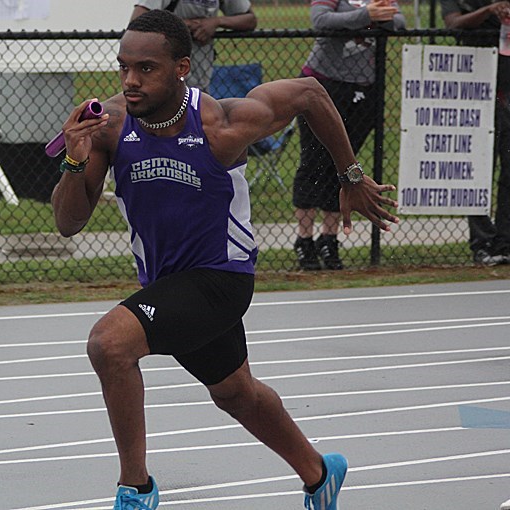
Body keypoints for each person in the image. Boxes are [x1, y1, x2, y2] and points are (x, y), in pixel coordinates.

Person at [51, 9, 399, 510]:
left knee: (109, 345)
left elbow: (311, 94)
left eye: (146, 68)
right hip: (166, 283)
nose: (130, 80)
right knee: (236, 393)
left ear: (182, 69)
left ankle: (136, 490)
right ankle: (319, 473)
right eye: (123, 66)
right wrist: (74, 159)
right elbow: (69, 222)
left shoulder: (223, 124)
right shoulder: (110, 127)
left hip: (221, 278)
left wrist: (350, 175)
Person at [292, 0, 405, 270]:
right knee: (313, 161)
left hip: (364, 88)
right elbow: (320, 20)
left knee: (343, 165)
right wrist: (367, 15)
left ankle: (329, 238)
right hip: (323, 84)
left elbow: (399, 23)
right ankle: (304, 239)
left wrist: (376, 16)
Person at [441, 0, 510, 265]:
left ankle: (505, 241)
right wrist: (489, 11)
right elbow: (454, 23)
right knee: (479, 169)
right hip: (477, 91)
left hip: (507, 87)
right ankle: (482, 242)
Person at [130, 0, 256, 92]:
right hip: (165, 84)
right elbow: (137, 20)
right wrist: (183, 25)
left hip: (202, 78)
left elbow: (250, 19)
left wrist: (217, 21)